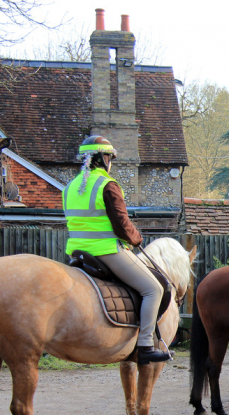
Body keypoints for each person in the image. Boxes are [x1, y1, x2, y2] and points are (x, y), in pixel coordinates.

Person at [62, 136, 170, 366]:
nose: (110, 161)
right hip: (106, 251)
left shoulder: (69, 187)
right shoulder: (107, 185)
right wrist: (136, 238)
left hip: (77, 253)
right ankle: (144, 346)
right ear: (103, 158)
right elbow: (121, 224)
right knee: (153, 289)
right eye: (109, 157)